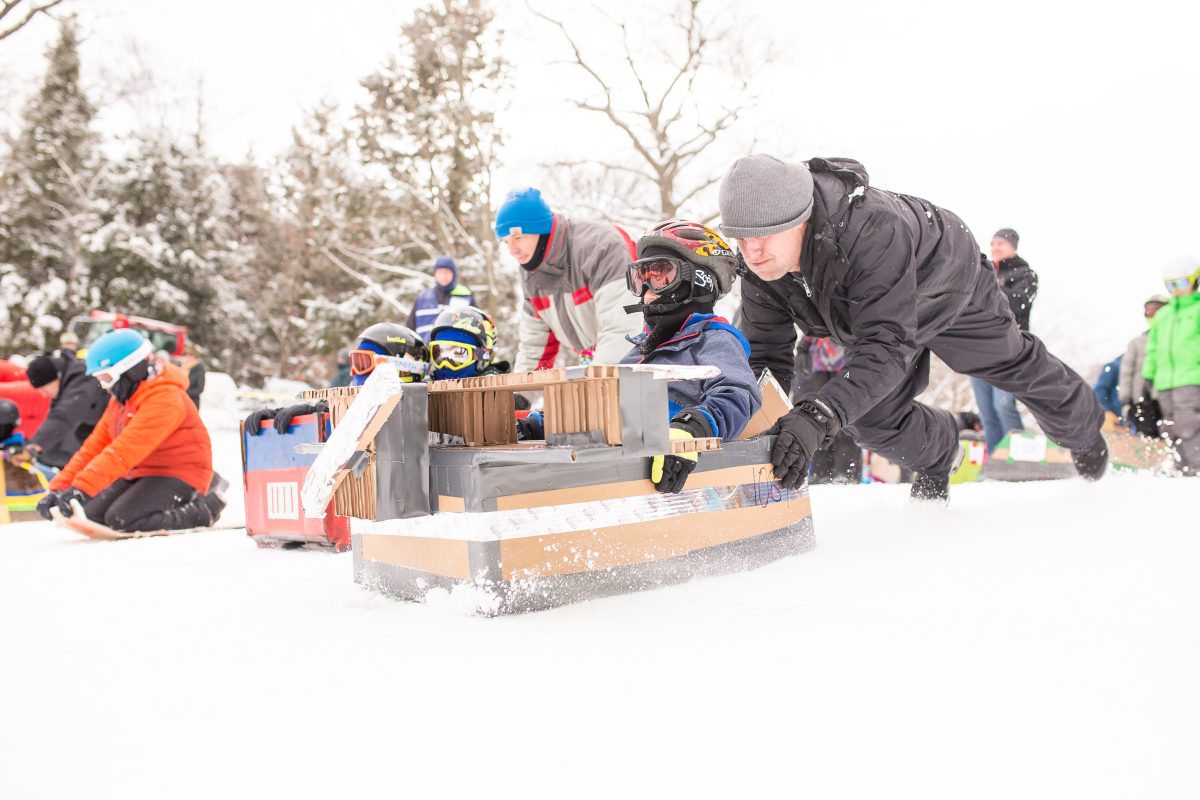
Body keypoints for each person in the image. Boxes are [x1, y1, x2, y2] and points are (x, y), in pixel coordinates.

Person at [721, 155, 1105, 502]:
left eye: (764, 234)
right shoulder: (761, 268)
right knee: (868, 418)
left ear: (799, 219)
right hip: (877, 313)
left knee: (1009, 361)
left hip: (949, 285)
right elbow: (766, 356)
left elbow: (885, 346)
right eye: (741, 237)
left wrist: (816, 416)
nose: (752, 251)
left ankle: (1083, 431)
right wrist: (751, 428)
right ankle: (941, 450)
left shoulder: (870, 229)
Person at [516, 220, 762, 495]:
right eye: (640, 278)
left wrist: (691, 430)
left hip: (681, 479)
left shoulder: (714, 339)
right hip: (621, 474)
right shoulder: (639, 352)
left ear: (699, 280)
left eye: (659, 275)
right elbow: (603, 405)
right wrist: (542, 423)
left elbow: (739, 393)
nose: (646, 291)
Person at [35, 329, 226, 532]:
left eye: (106, 378)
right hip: (142, 471)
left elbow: (124, 451)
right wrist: (59, 487)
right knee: (92, 515)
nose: (104, 387)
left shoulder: (165, 399)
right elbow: (95, 446)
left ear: (130, 369)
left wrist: (82, 488)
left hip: (180, 473)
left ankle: (204, 509)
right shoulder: (123, 399)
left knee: (122, 519)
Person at [494, 187, 643, 372]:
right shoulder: (532, 273)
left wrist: (600, 383)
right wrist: (521, 397)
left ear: (540, 229)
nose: (512, 250)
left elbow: (623, 328)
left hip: (647, 361)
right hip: (599, 361)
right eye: (506, 241)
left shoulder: (599, 247)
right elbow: (535, 347)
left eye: (518, 237)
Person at [246, 324, 430, 436]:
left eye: (364, 362)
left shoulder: (419, 410)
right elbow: (345, 412)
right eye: (355, 361)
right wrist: (283, 416)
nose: (355, 372)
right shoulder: (355, 404)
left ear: (399, 368)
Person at [970, 228, 1036, 452]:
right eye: (993, 244)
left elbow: (1015, 305)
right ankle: (995, 460)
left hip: (1008, 347)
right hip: (979, 348)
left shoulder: (1025, 274)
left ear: (1012, 247)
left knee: (1004, 404)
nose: (995, 248)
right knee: (986, 409)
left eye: (1000, 244)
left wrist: (988, 293)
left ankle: (1019, 456)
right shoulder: (984, 274)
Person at [1144, 257, 1200, 475]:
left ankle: (1196, 467)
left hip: (1192, 377)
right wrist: (1148, 376)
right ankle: (1182, 467)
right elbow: (1153, 347)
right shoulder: (1164, 315)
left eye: (1182, 284)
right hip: (1165, 381)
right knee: (1169, 426)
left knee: (1189, 424)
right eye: (1172, 286)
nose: (1177, 291)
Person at [23, 350, 109, 469]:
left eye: (44, 389)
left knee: (82, 442)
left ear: (54, 378)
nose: (44, 394)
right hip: (99, 422)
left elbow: (63, 415)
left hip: (121, 421)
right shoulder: (66, 381)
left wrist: (36, 445)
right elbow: (55, 415)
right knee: (79, 439)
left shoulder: (83, 378)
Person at [793, 337, 862, 484]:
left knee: (847, 420)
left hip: (849, 364)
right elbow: (809, 333)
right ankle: (820, 471)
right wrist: (802, 352)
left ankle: (845, 472)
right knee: (821, 417)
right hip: (820, 365)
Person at [1119, 295, 1169, 437]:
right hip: (1143, 400)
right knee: (1147, 435)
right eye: (1148, 312)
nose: (1152, 316)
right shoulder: (1137, 343)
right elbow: (1127, 372)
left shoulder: (1174, 340)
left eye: (1156, 311)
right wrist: (1126, 399)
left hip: (1168, 397)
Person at [427, 306, 510, 381]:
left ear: (483, 356)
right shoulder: (425, 391)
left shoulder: (502, 395)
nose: (445, 364)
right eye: (438, 353)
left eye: (459, 352)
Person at [407, 255, 475, 341]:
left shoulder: (465, 297)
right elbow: (410, 329)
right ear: (435, 274)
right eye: (440, 272)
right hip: (425, 352)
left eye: (447, 272)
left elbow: (476, 328)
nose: (443, 276)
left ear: (453, 274)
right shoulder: (422, 298)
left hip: (455, 351)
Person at [180, 343, 205, 408]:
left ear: (195, 356)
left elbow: (199, 389)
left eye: (190, 355)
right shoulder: (183, 366)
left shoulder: (199, 368)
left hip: (192, 402)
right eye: (187, 355)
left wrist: (184, 392)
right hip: (181, 401)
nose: (187, 357)